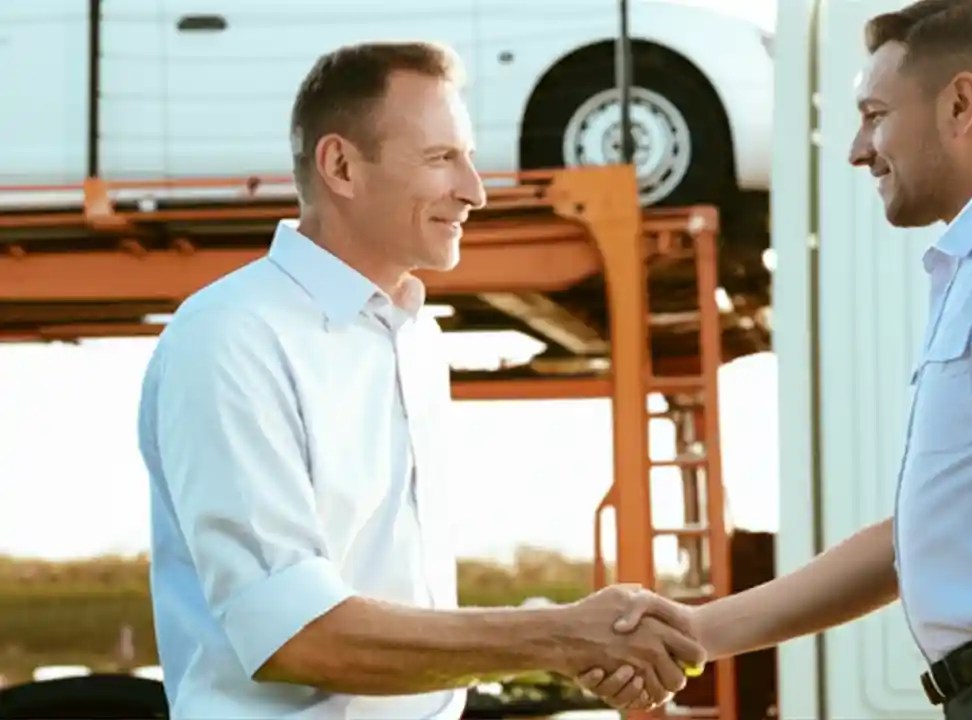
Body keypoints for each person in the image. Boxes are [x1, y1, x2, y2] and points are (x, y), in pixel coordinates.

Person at [581, 1, 972, 718]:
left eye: (875, 114)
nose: (857, 148)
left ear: (960, 103)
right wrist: (697, 632)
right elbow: (920, 541)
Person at [136, 40, 704, 719]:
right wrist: (557, 635)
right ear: (341, 165)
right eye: (442, 159)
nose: (475, 190)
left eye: (467, 158)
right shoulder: (232, 337)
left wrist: (584, 642)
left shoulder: (413, 337)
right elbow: (297, 636)